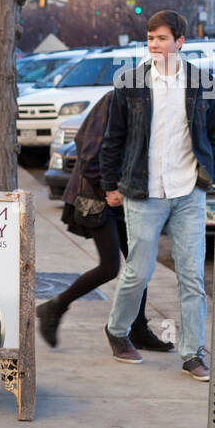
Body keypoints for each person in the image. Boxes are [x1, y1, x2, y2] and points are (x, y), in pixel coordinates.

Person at [100, 9, 215, 381]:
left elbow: (214, 133)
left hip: (188, 192)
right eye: (150, 38)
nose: (154, 44)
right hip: (143, 190)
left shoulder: (202, 82)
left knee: (192, 276)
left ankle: (192, 353)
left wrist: (208, 175)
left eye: (162, 38)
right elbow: (113, 138)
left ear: (180, 42)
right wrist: (110, 184)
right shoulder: (130, 82)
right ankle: (117, 331)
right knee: (139, 271)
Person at [35, 90, 175, 353]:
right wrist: (108, 188)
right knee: (110, 267)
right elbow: (88, 151)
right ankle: (54, 307)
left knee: (139, 263)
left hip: (127, 196)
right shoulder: (116, 99)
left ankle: (138, 328)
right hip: (98, 195)